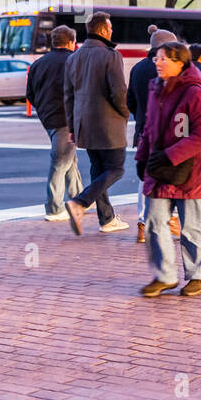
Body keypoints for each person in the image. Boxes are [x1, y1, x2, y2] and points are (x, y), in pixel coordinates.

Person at [134, 42, 201, 297]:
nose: (157, 63)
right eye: (156, 58)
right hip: (160, 167)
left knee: (191, 226)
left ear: (179, 63)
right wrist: (141, 157)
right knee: (154, 221)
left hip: (191, 170)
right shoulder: (156, 89)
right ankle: (164, 276)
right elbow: (149, 127)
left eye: (162, 59)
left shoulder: (195, 92)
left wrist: (170, 156)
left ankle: (197, 277)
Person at [63, 12, 130, 236]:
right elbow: (118, 92)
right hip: (108, 124)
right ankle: (80, 203)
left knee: (98, 169)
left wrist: (73, 127)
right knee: (116, 168)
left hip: (84, 124)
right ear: (102, 31)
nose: (112, 32)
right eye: (109, 28)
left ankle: (107, 218)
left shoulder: (73, 57)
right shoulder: (111, 56)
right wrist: (125, 113)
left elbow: (68, 96)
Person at [126, 25, 179, 243]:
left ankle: (142, 224)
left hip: (142, 130)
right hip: (167, 133)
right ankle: (171, 220)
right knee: (171, 177)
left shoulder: (137, 69)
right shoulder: (171, 69)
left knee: (145, 179)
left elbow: (130, 100)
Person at [25, 25, 83, 222]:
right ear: (71, 42)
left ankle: (80, 199)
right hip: (66, 119)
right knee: (60, 162)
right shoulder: (73, 61)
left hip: (48, 119)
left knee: (69, 159)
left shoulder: (38, 64)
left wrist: (43, 109)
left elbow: (30, 94)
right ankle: (54, 207)